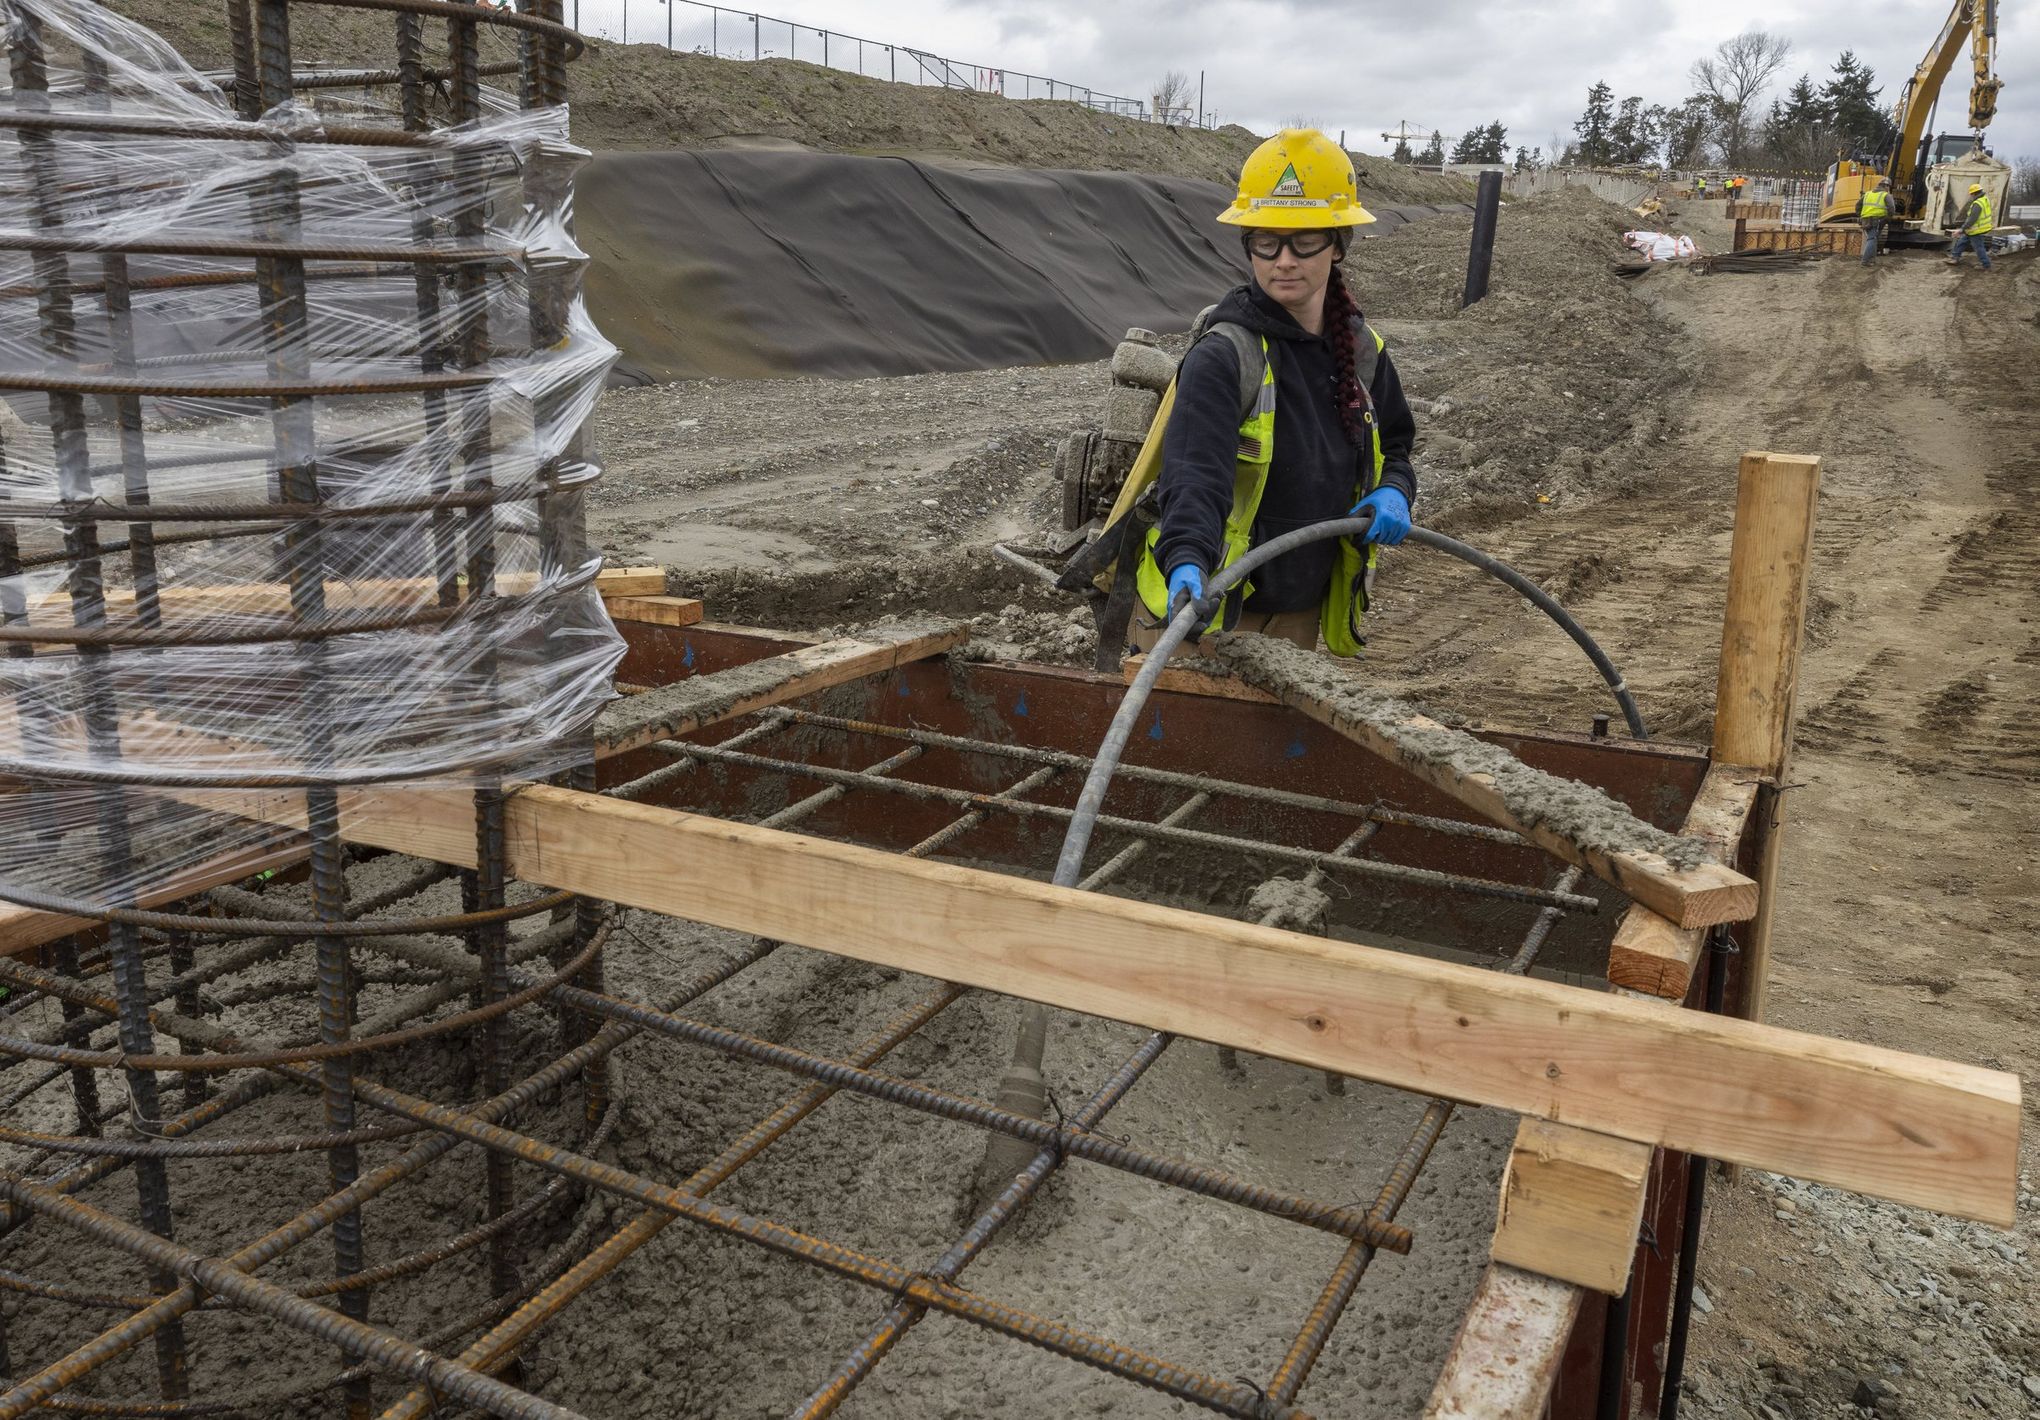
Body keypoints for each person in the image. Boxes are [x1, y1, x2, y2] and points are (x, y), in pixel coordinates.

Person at [1132, 128, 1418, 658]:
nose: (1283, 259)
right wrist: (1188, 558)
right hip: (1204, 610)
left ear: (1338, 245)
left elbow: (1396, 446)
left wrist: (1396, 488)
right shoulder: (1225, 356)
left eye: (1304, 241)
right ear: (1249, 246)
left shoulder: (1363, 353)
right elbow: (1194, 473)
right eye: (1267, 242)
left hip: (1297, 613)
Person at [1947, 183, 1994, 269]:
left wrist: (1961, 229)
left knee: (1978, 247)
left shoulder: (1977, 203)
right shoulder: (1985, 199)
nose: (1970, 196)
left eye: (1971, 194)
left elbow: (1972, 219)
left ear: (1974, 193)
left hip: (1976, 229)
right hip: (1976, 228)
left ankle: (1985, 264)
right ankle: (1955, 258)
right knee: (1961, 242)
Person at [1858, 177, 1892, 265]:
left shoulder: (1867, 194)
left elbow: (1858, 205)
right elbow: (1891, 208)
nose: (1888, 189)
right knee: (1872, 239)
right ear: (1886, 186)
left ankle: (1872, 260)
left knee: (1873, 238)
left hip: (1865, 219)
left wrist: (1860, 215)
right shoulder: (1886, 195)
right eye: (1888, 187)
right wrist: (1887, 218)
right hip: (1877, 220)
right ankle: (1865, 261)